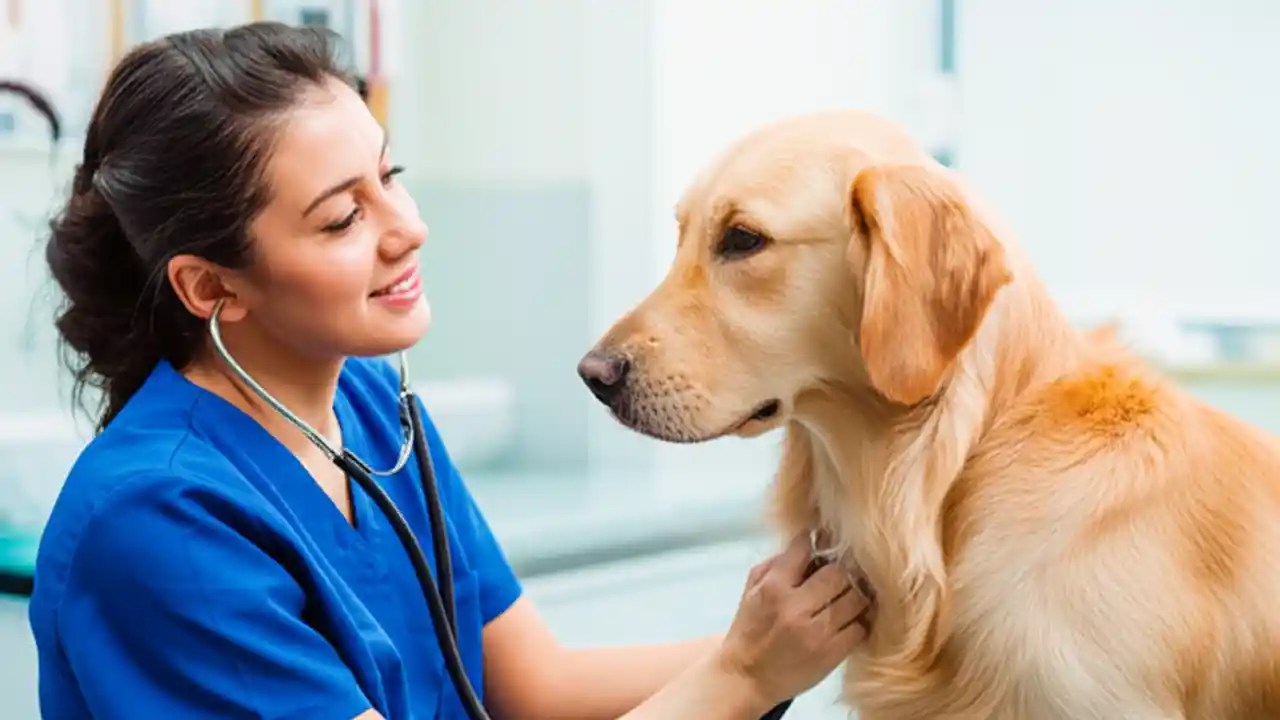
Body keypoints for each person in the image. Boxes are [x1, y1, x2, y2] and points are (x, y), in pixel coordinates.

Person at [26, 22, 872, 720]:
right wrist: (744, 679)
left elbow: (536, 688)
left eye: (389, 176)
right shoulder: (156, 526)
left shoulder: (369, 411)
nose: (409, 228)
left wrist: (786, 640)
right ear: (211, 285)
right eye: (344, 217)